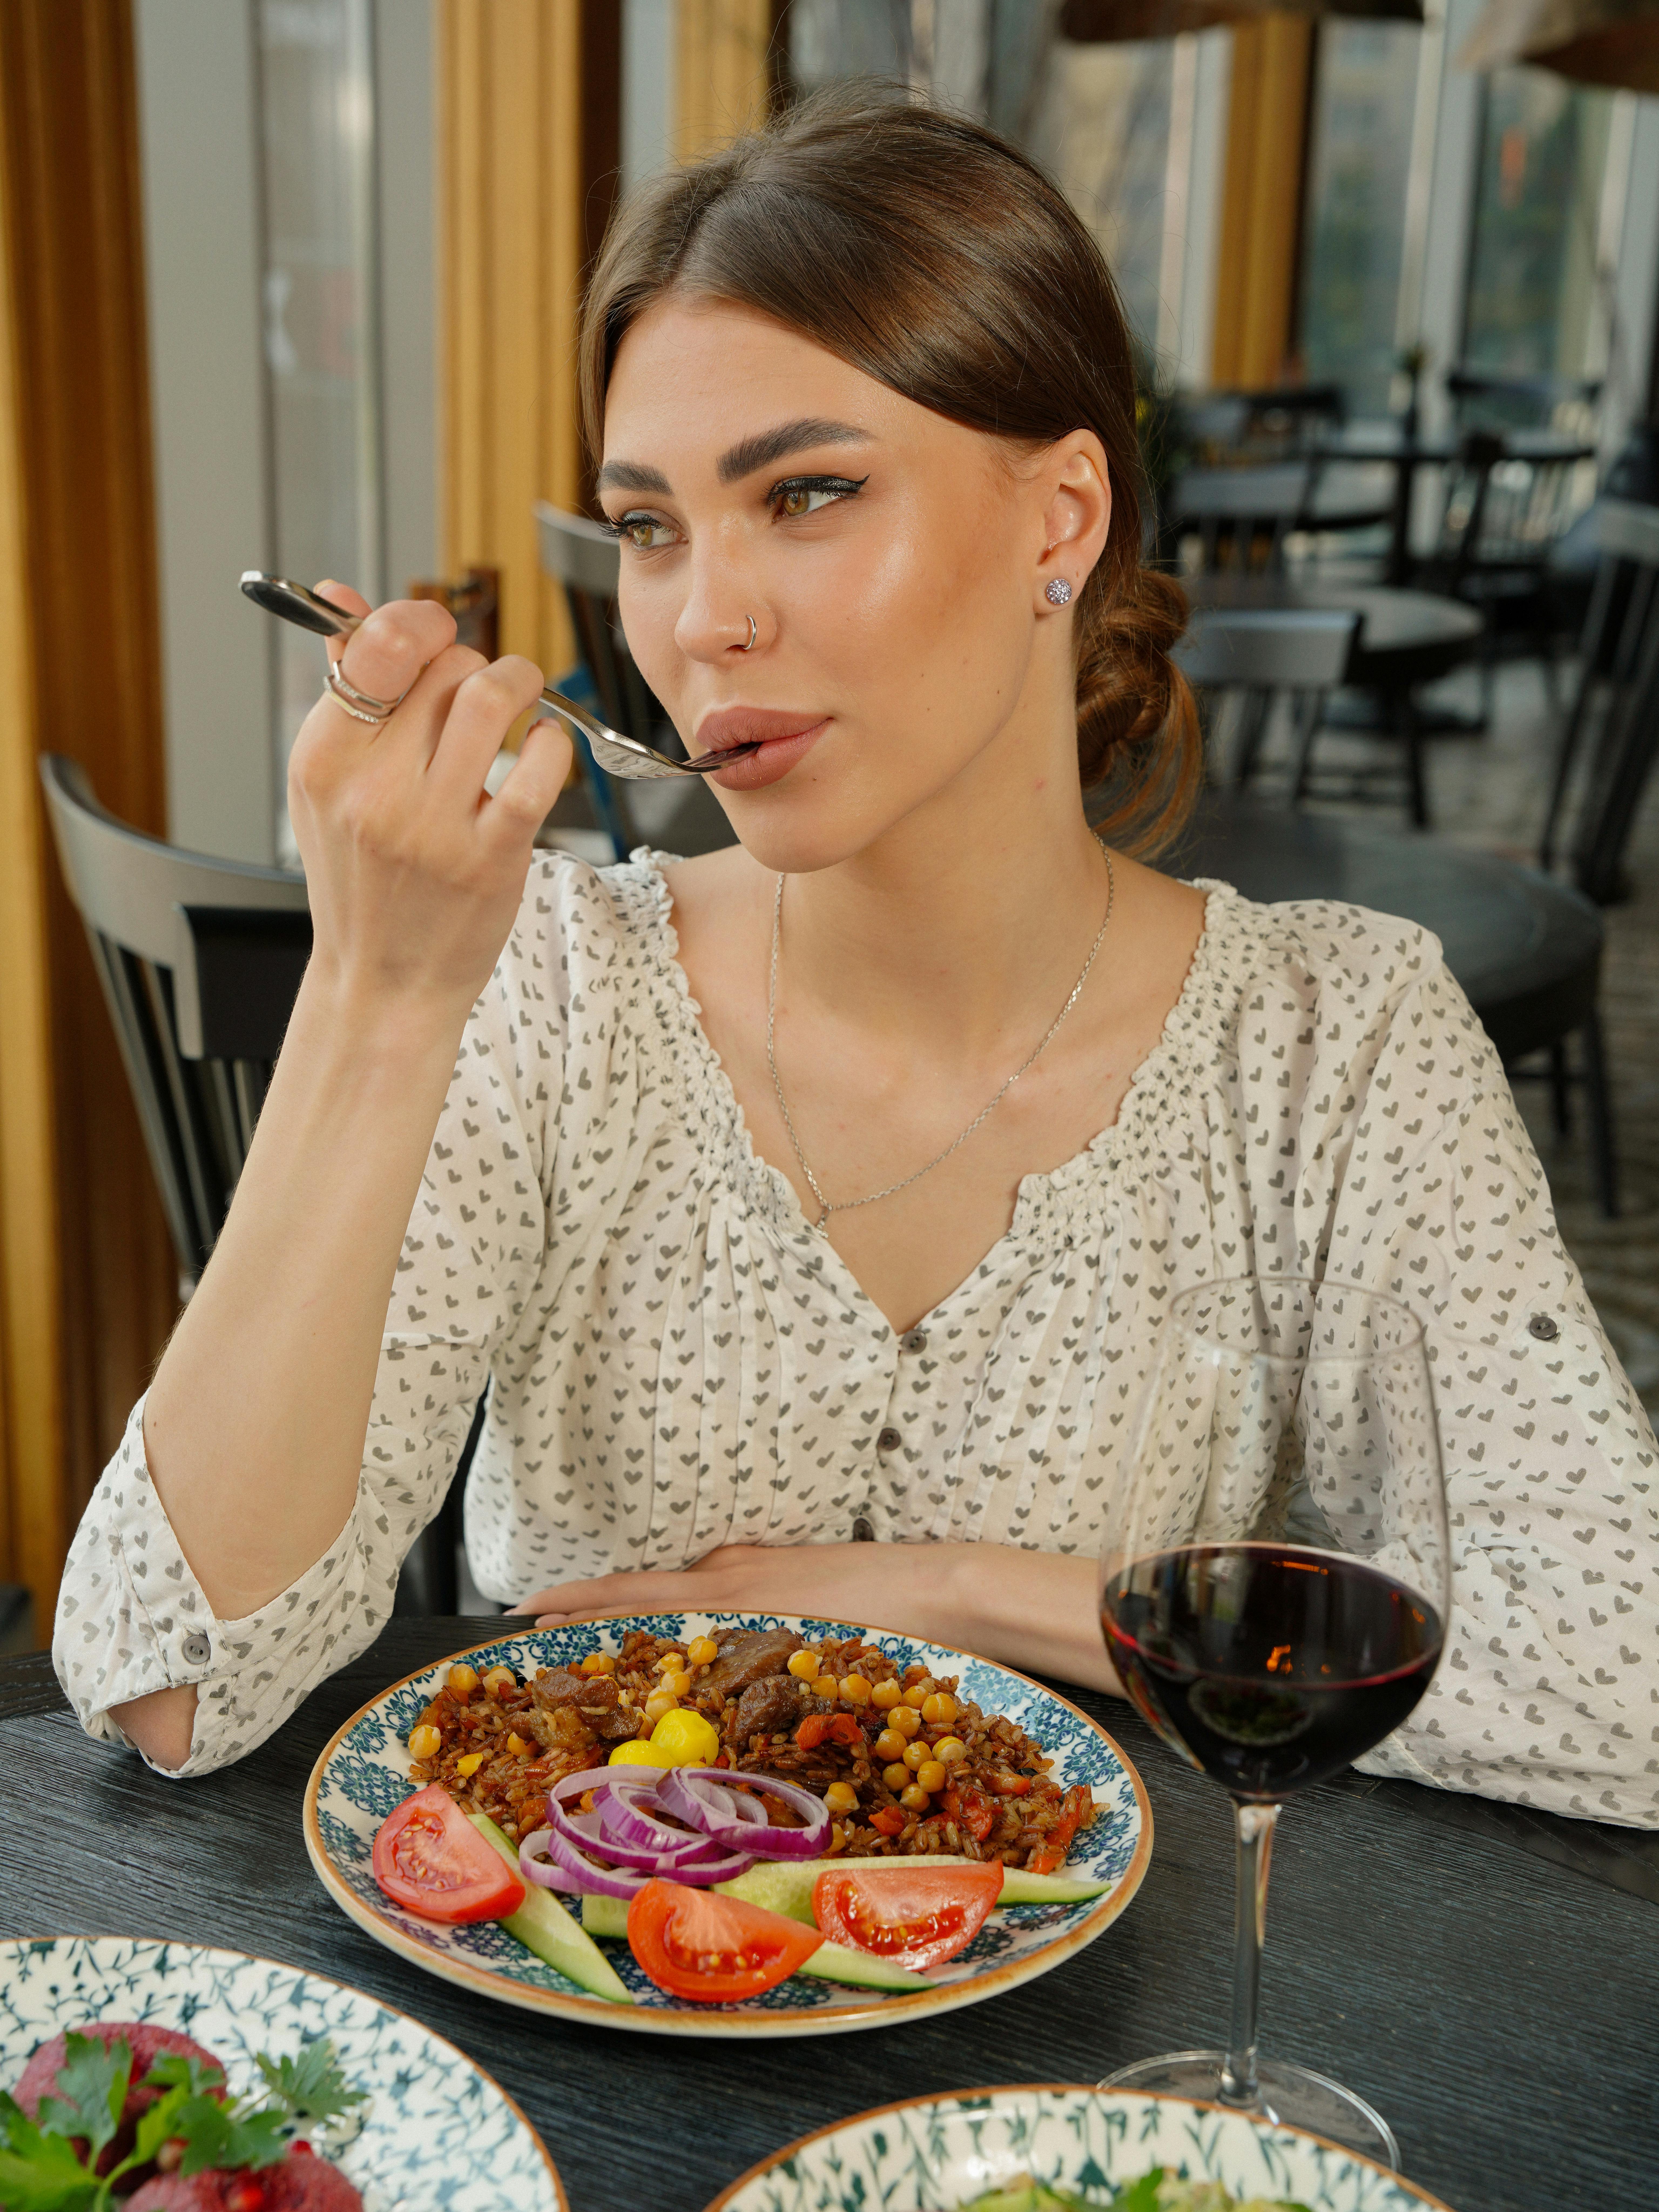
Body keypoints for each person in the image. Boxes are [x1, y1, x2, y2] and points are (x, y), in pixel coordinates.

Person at [55, 91, 1657, 1825]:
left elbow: (1618, 1679)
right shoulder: (564, 988)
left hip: (1101, 2055)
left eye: (807, 494)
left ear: (1059, 520)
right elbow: (166, 1679)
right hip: (587, 2042)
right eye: (650, 527)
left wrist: (942, 1593)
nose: (698, 619)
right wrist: (378, 999)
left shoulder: (1336, 1044)